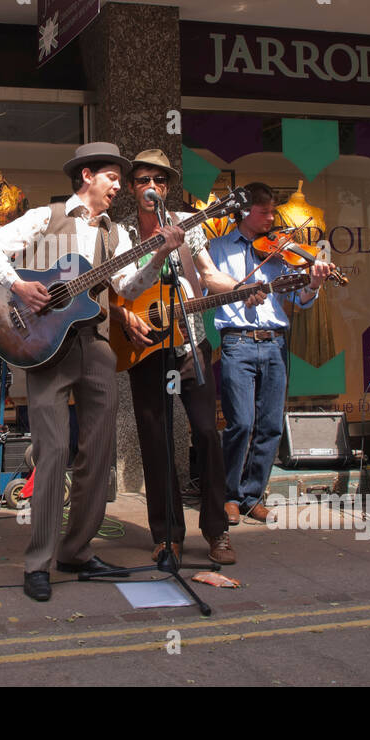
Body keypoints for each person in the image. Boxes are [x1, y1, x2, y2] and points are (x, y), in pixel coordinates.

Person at [0, 141, 184, 602]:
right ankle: (38, 561)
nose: (117, 187)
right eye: (112, 177)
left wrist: (158, 255)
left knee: (99, 452)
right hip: (45, 346)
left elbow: (127, 285)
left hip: (98, 346)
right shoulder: (46, 218)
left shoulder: (118, 234)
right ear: (87, 175)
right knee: (53, 452)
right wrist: (20, 286)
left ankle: (77, 549)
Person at [111, 149, 233, 566]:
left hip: (191, 344)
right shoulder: (120, 232)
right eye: (144, 180)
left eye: (160, 182)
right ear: (131, 187)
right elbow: (118, 289)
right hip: (145, 348)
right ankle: (167, 535)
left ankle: (216, 531)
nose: (152, 187)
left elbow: (209, 274)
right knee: (156, 439)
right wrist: (122, 314)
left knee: (206, 433)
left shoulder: (186, 224)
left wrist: (238, 288)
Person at [202, 182, 331, 526]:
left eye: (273, 211)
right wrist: (235, 291)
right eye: (265, 212)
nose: (271, 218)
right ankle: (229, 495)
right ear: (245, 212)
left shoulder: (280, 250)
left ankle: (252, 496)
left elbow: (299, 299)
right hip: (237, 341)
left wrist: (314, 284)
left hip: (274, 342)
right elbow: (205, 287)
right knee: (240, 422)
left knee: (270, 425)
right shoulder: (217, 247)